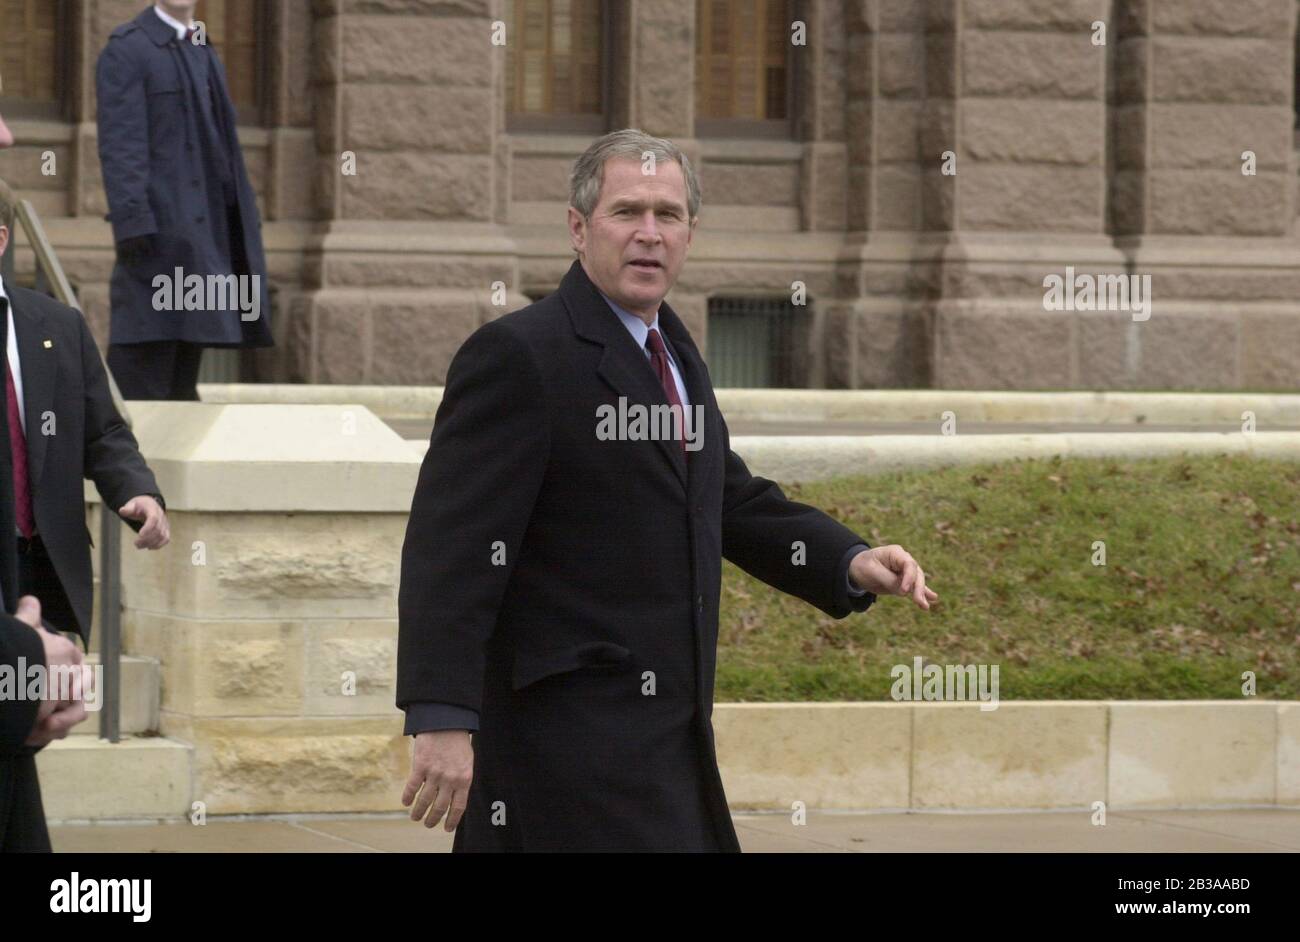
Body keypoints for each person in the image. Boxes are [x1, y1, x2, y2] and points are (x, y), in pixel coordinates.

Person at [397, 129, 940, 852]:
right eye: (627, 212)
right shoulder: (520, 356)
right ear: (578, 226)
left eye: (668, 215)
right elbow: (452, 548)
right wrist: (442, 717)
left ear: (689, 233)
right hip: (559, 751)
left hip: (667, 739)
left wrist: (846, 559)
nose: (649, 234)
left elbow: (724, 497)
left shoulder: (674, 351)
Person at [0, 175, 170, 647]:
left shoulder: (58, 325)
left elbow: (104, 432)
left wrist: (138, 491)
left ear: (0, 240)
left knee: (44, 711)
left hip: (44, 565)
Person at [96, 1, 272, 401]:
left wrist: (241, 223)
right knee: (142, 356)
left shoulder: (202, 47)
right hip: (155, 237)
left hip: (205, 235)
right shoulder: (127, 48)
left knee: (185, 360)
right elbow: (120, 146)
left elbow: (223, 147)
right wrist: (133, 222)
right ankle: (115, 457)